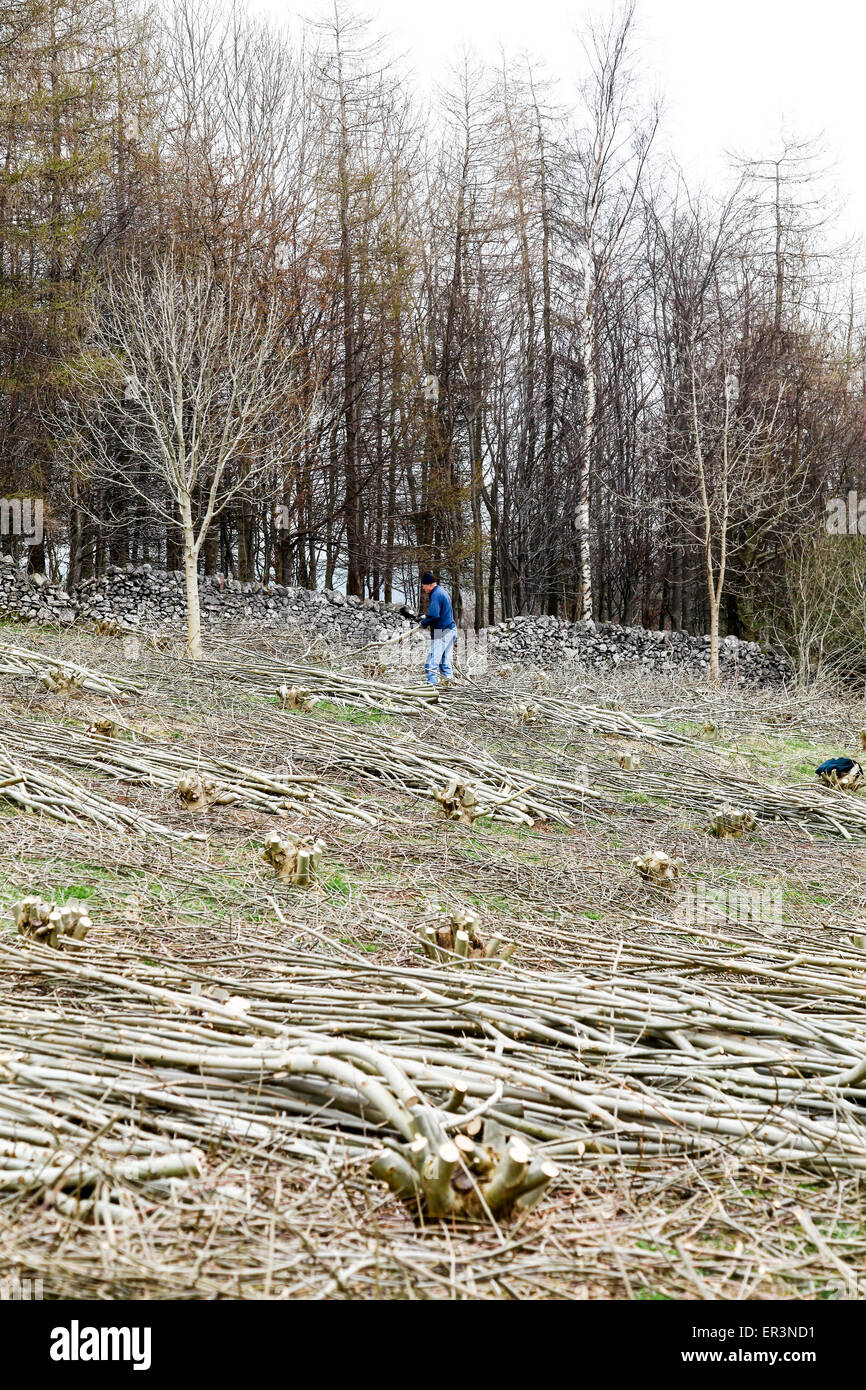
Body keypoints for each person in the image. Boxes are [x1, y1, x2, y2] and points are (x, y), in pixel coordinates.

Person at [418, 571, 457, 686]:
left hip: (443, 632)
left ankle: (431, 687)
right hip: (450, 629)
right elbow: (436, 612)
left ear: (429, 584)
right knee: (444, 661)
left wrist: (424, 623)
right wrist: (425, 617)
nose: (423, 588)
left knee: (431, 663)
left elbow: (435, 615)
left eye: (423, 585)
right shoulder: (440, 592)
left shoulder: (435, 594)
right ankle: (449, 684)